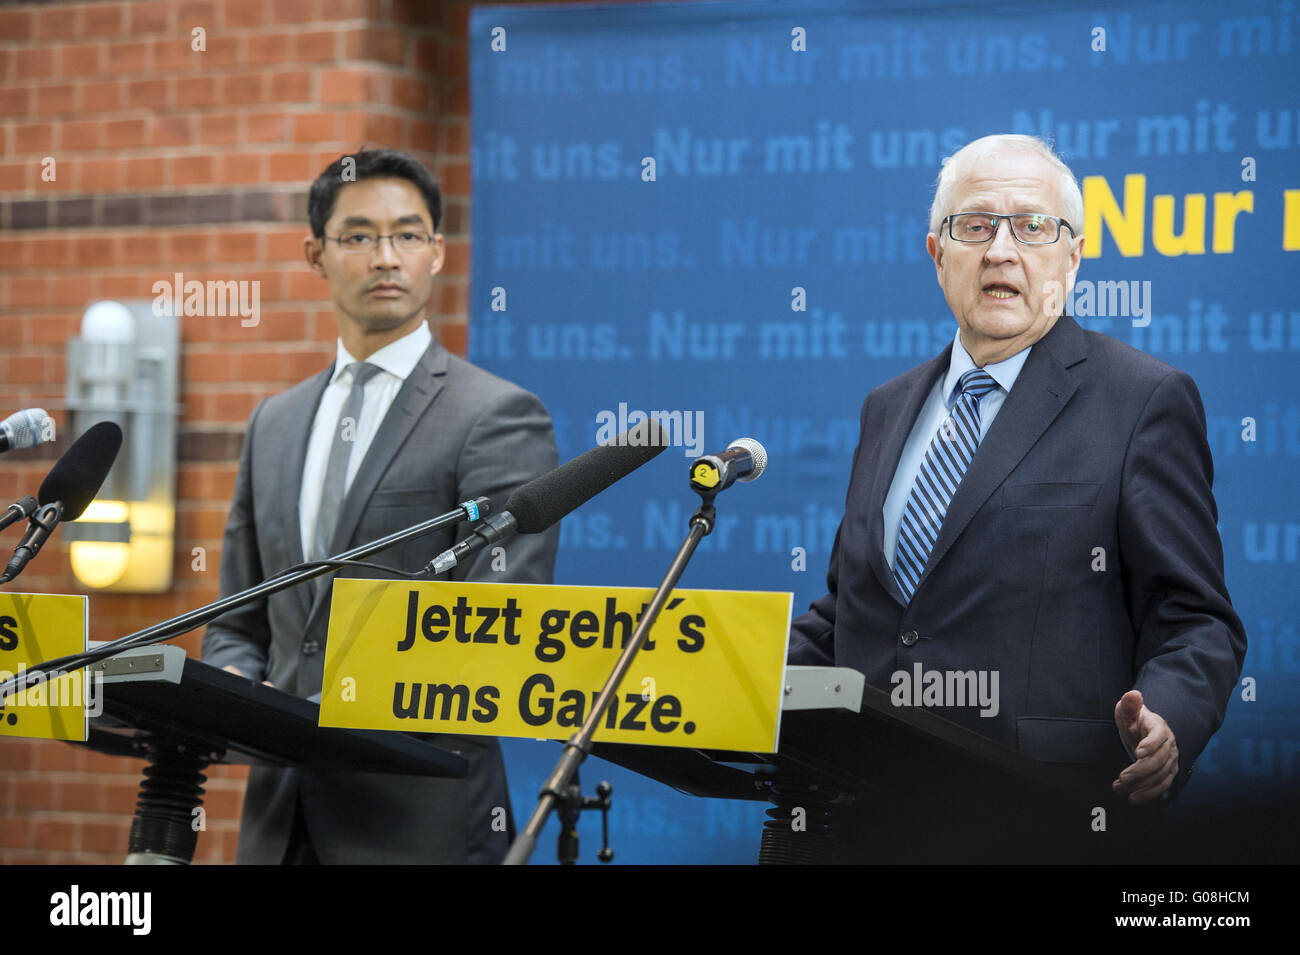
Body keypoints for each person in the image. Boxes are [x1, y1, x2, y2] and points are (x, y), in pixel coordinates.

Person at [788, 134, 1245, 857]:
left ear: (1073, 256)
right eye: (975, 226)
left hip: (1040, 822)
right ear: (938, 255)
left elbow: (1195, 619)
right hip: (865, 819)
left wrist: (1169, 723)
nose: (1001, 250)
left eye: (1032, 226)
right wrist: (714, 677)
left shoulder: (1141, 400)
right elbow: (855, 611)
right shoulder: (887, 406)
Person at [202, 148, 559, 864]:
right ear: (316, 254)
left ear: (437, 252)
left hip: (415, 821)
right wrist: (237, 684)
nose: (384, 256)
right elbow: (238, 620)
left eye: (407, 234)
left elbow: (496, 615)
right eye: (359, 236)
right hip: (277, 824)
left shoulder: (495, 415)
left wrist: (325, 701)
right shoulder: (273, 421)